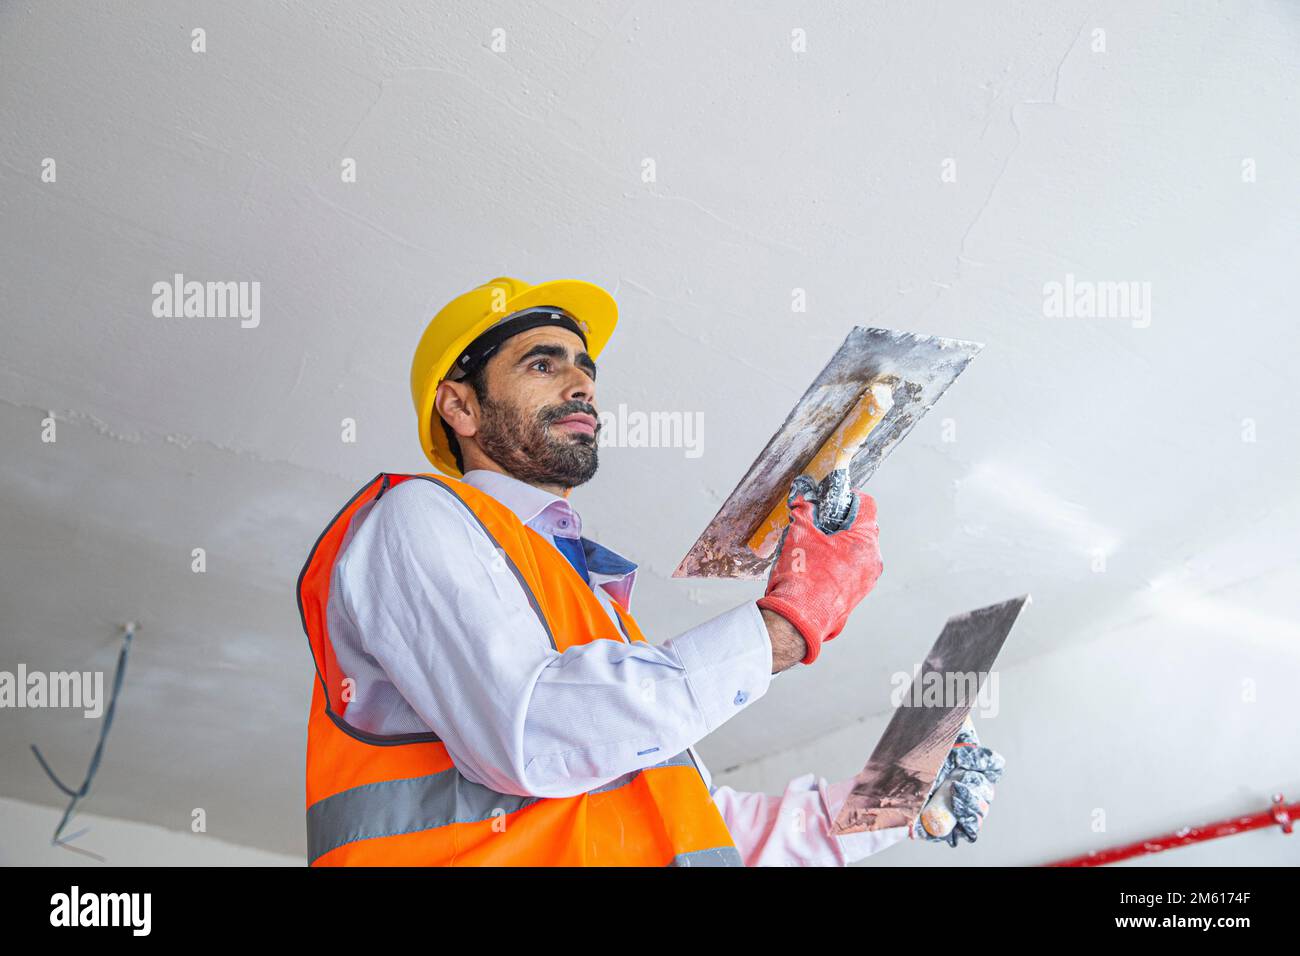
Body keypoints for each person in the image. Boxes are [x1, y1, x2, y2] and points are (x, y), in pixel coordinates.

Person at [297, 276, 1004, 866]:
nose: (581, 385)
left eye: (586, 370)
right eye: (543, 364)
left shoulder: (579, 600)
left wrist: (894, 801)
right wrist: (786, 627)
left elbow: (702, 829)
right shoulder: (417, 516)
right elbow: (533, 735)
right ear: (461, 406)